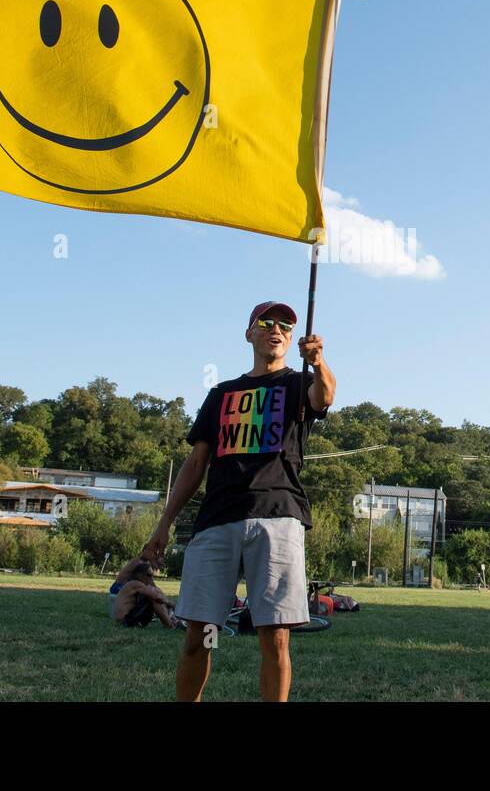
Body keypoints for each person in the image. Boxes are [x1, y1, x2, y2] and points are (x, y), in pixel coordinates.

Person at [141, 300, 335, 702]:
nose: (276, 329)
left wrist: (318, 362)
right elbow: (195, 465)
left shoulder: (297, 383)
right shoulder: (221, 394)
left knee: (275, 638)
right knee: (199, 635)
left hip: (278, 517)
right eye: (266, 322)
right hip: (217, 520)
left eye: (285, 324)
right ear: (249, 333)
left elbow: (325, 398)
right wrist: (163, 525)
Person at [109, 557, 177, 629]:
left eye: (152, 576)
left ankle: (171, 620)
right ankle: (170, 625)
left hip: (126, 619)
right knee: (153, 598)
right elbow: (156, 596)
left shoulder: (134, 584)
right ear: (139, 575)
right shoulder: (135, 584)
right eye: (148, 575)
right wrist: (171, 603)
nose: (151, 579)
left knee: (155, 595)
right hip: (125, 620)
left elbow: (156, 590)